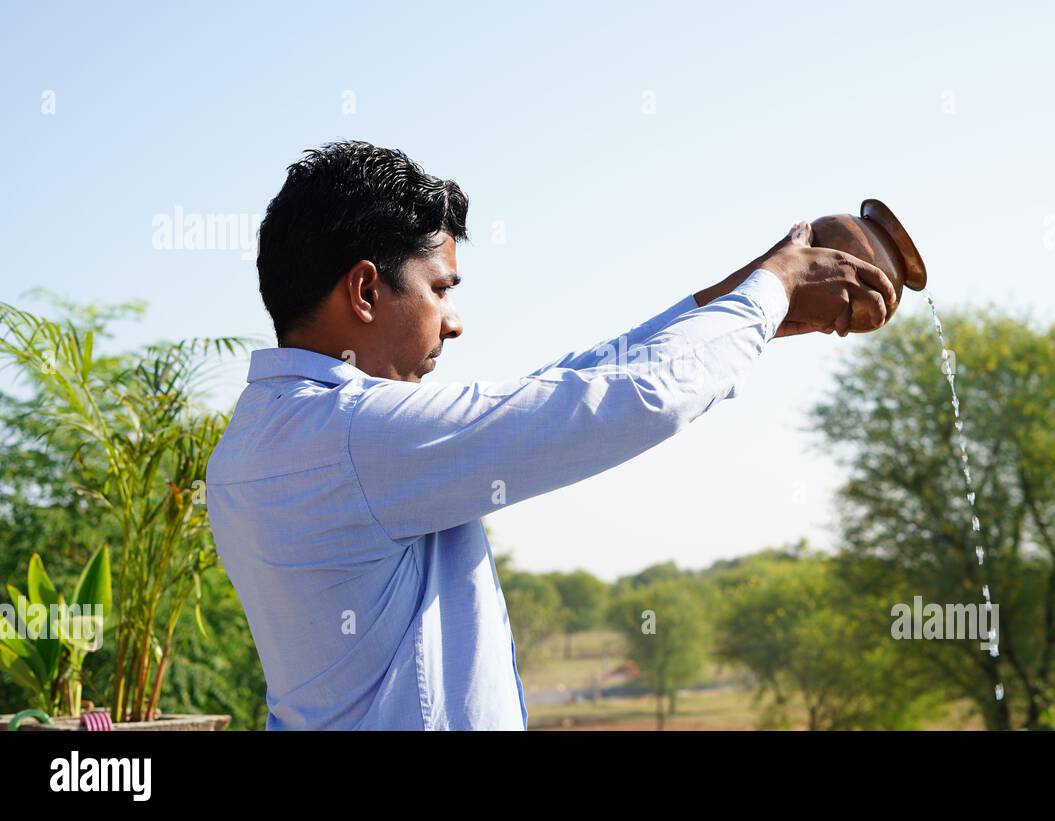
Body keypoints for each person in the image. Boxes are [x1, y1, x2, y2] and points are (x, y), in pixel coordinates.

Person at [205, 140, 898, 730]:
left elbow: (569, 385)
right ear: (364, 291)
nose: (454, 321)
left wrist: (750, 300)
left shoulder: (263, 438)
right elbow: (627, 398)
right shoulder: (353, 440)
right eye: (441, 288)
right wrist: (769, 293)